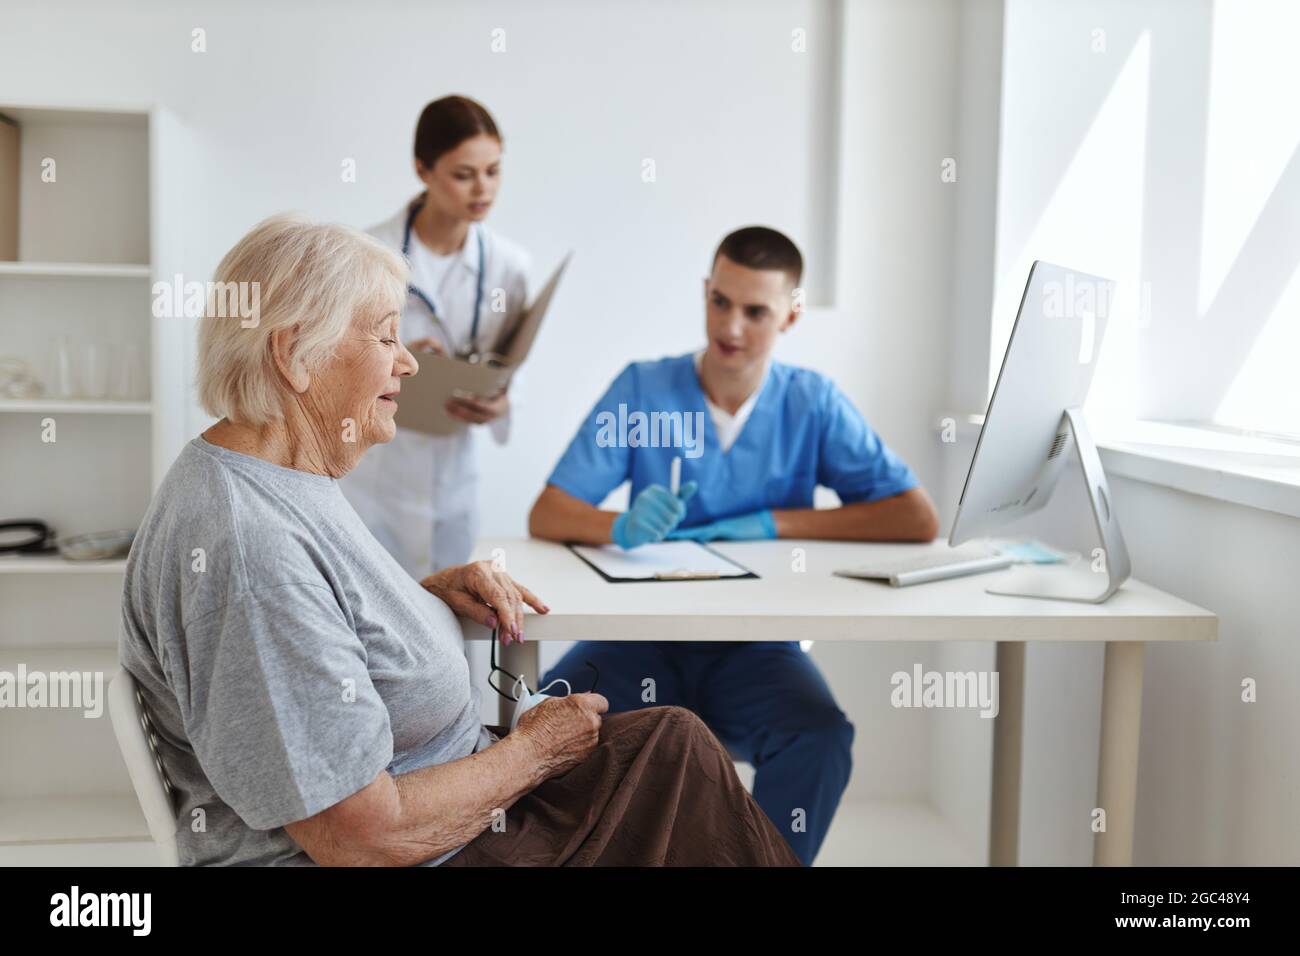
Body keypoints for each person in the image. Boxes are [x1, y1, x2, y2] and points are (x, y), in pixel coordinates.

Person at [118, 214, 799, 867]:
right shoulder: (248, 544)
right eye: (386, 338)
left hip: (455, 817)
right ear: (295, 354)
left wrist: (415, 601)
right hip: (428, 852)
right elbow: (358, 838)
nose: (410, 365)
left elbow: (311, 638)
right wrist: (533, 753)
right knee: (676, 767)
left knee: (672, 745)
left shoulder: (275, 481)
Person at [528, 226, 940, 864]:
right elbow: (548, 511)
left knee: (819, 736)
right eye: (721, 301)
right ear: (705, 291)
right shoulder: (644, 389)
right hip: (642, 639)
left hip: (754, 649)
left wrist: (777, 523)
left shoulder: (812, 403)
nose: (733, 326)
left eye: (756, 311)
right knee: (543, 723)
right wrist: (619, 527)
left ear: (792, 314)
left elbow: (914, 517)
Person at [340, 94, 531, 577]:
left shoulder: (509, 266)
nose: (482, 188)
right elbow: (334, 362)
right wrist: (390, 352)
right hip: (377, 482)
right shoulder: (367, 253)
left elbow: (511, 365)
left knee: (450, 635)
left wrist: (501, 403)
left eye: (493, 171)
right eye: (463, 174)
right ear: (423, 169)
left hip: (454, 482)